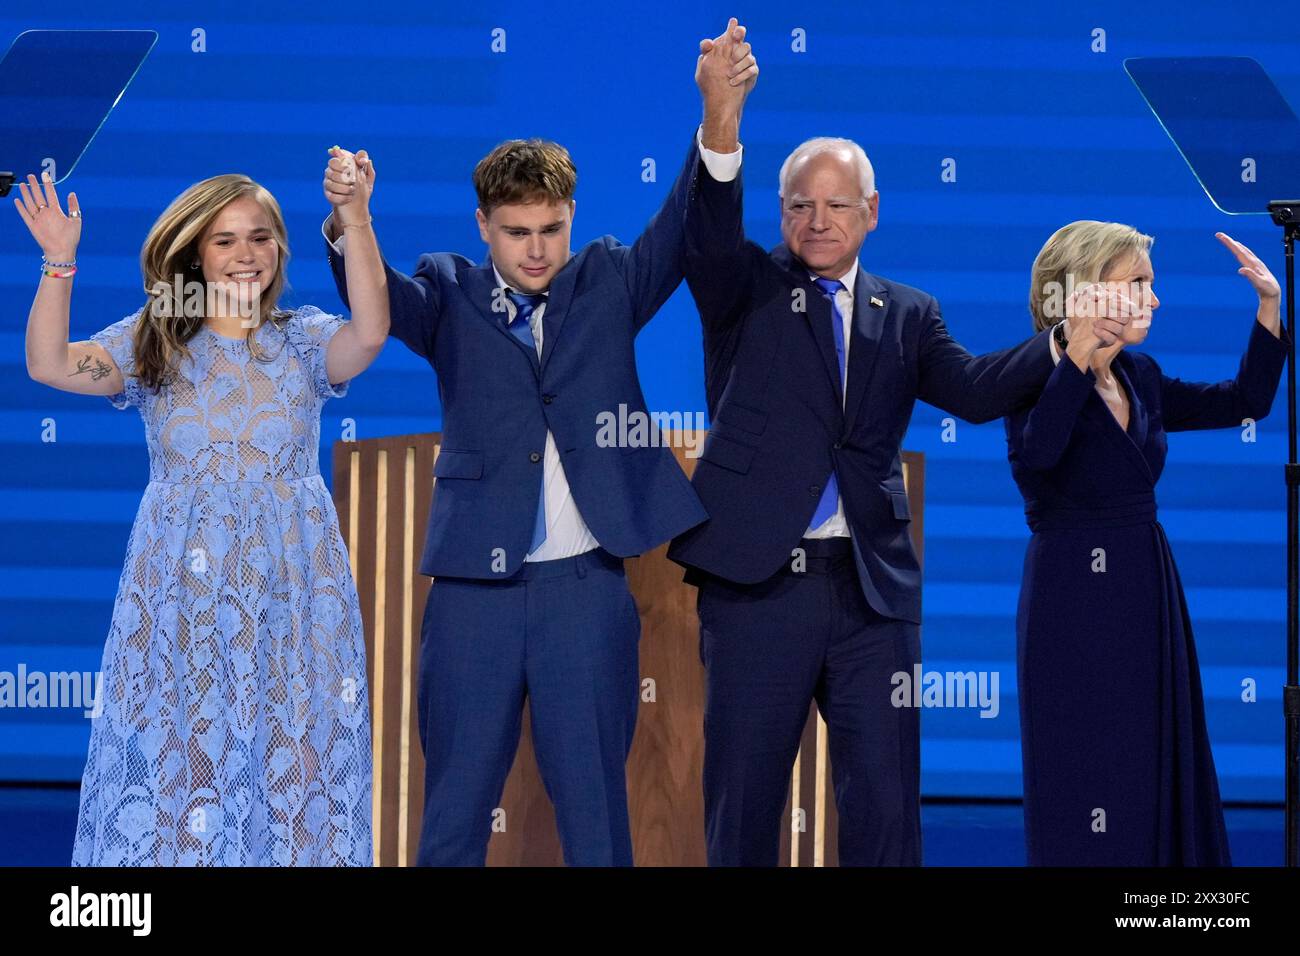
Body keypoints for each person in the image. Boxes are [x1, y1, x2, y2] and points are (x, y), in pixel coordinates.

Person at [667, 61, 1130, 861]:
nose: (817, 220)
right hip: (756, 590)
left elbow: (977, 391)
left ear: (872, 212)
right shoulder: (741, 285)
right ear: (780, 213)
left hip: (870, 598)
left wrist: (1060, 342)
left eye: (836, 204)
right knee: (742, 808)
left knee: (885, 814)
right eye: (800, 206)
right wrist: (721, 123)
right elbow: (706, 235)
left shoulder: (909, 312)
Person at [321, 22, 758, 866]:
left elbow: (684, 219)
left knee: (597, 817)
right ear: (483, 225)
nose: (536, 249)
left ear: (571, 221)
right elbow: (372, 299)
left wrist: (717, 118)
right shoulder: (445, 291)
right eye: (517, 231)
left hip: (585, 595)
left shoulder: (610, 279)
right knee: (452, 813)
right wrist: (351, 219)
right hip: (470, 599)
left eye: (551, 229)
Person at [15, 165, 389, 866]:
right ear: (194, 255)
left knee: (299, 766)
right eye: (225, 241)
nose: (246, 254)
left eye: (261, 237)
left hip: (293, 593)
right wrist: (58, 259)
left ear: (280, 249)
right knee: (186, 770)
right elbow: (50, 365)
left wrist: (356, 217)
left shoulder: (304, 342)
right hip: (184, 596)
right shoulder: (152, 344)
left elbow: (370, 333)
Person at [1006, 222, 1287, 865]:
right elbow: (1039, 454)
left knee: (1146, 755)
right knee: (1085, 760)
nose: (1154, 300)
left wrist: (1269, 305)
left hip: (1144, 587)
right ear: (1085, 291)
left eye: (1151, 285)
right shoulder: (1029, 377)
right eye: (1137, 284)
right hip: (1071, 598)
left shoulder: (1141, 374)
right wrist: (1076, 358)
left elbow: (1245, 401)